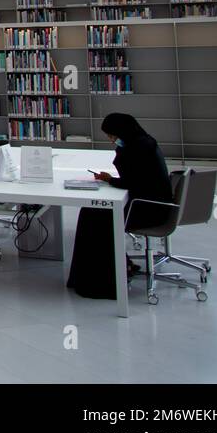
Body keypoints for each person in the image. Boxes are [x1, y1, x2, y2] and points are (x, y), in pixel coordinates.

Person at [67, 112, 174, 299]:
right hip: (153, 203)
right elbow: (138, 179)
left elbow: (133, 181)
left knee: (94, 216)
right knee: (91, 211)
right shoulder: (144, 142)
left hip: (148, 208)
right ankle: (116, 267)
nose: (112, 141)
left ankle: (101, 282)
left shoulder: (139, 147)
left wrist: (111, 180)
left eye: (112, 136)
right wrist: (112, 179)